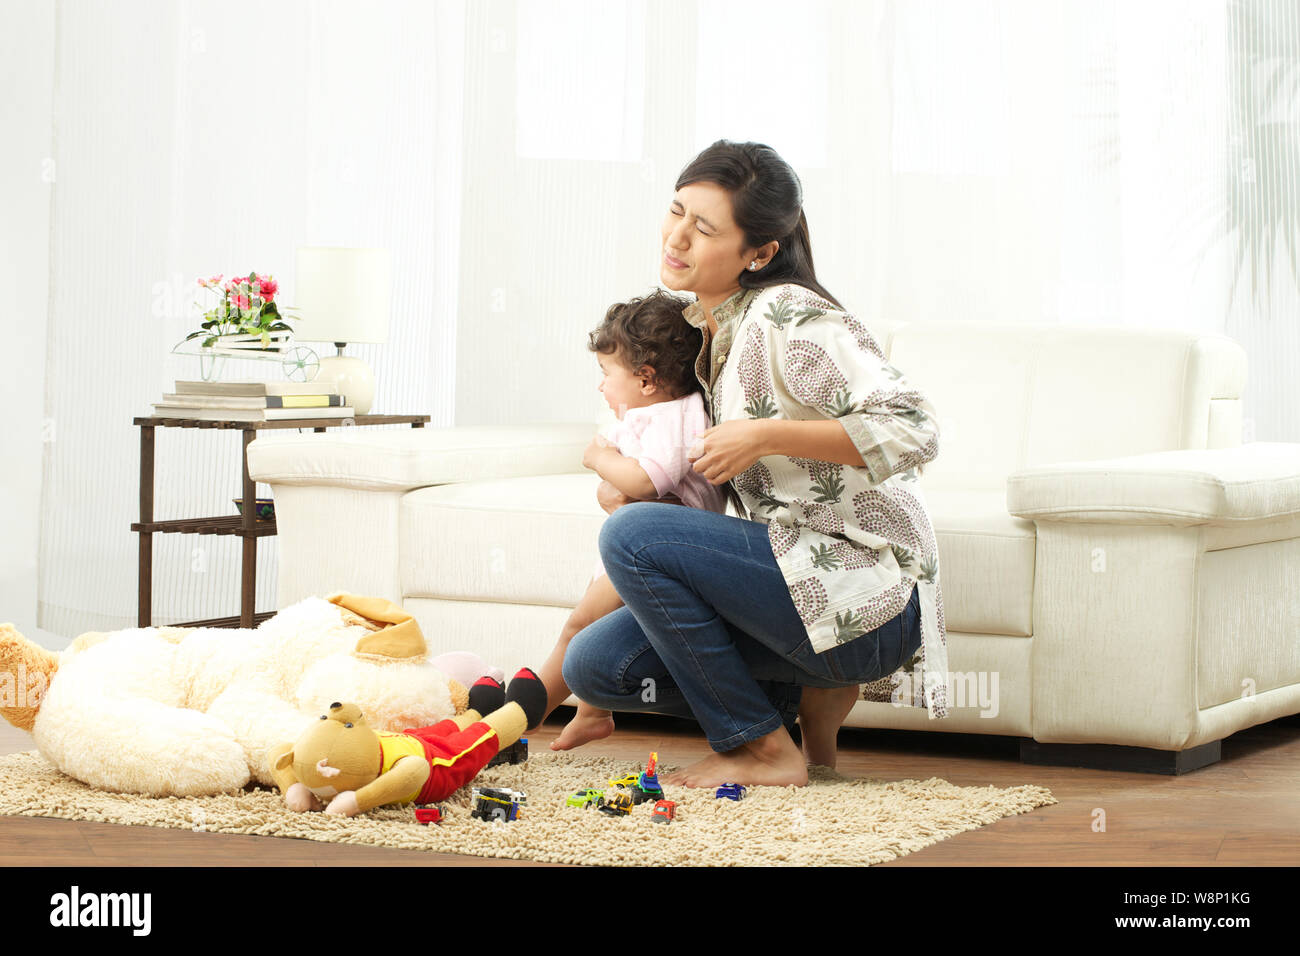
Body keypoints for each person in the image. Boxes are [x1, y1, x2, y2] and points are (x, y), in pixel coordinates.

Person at [561, 140, 951, 788]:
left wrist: (765, 435)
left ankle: (761, 747)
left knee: (628, 538)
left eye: (704, 227)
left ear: (760, 252)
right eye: (677, 211)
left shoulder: (793, 316)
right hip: (789, 582)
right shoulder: (709, 329)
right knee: (598, 665)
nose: (677, 237)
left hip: (866, 596)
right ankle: (788, 713)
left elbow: (916, 427)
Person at [534, 291, 727, 751]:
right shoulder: (645, 413)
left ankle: (522, 715)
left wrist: (597, 457)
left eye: (606, 374)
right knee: (590, 627)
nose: (601, 387)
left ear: (645, 379)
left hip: (662, 553)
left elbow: (645, 481)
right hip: (632, 546)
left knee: (578, 627)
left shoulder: (678, 415)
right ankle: (592, 711)